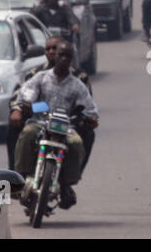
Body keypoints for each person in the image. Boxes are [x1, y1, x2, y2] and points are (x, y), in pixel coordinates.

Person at [12, 39, 98, 210]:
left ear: (72, 58)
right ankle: (20, 177)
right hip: (40, 122)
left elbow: (90, 108)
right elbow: (26, 94)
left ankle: (67, 184)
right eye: (60, 55)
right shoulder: (40, 77)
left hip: (65, 127)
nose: (64, 59)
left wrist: (90, 118)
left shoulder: (78, 83)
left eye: (68, 56)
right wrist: (23, 107)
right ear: (54, 56)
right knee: (27, 134)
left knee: (76, 143)